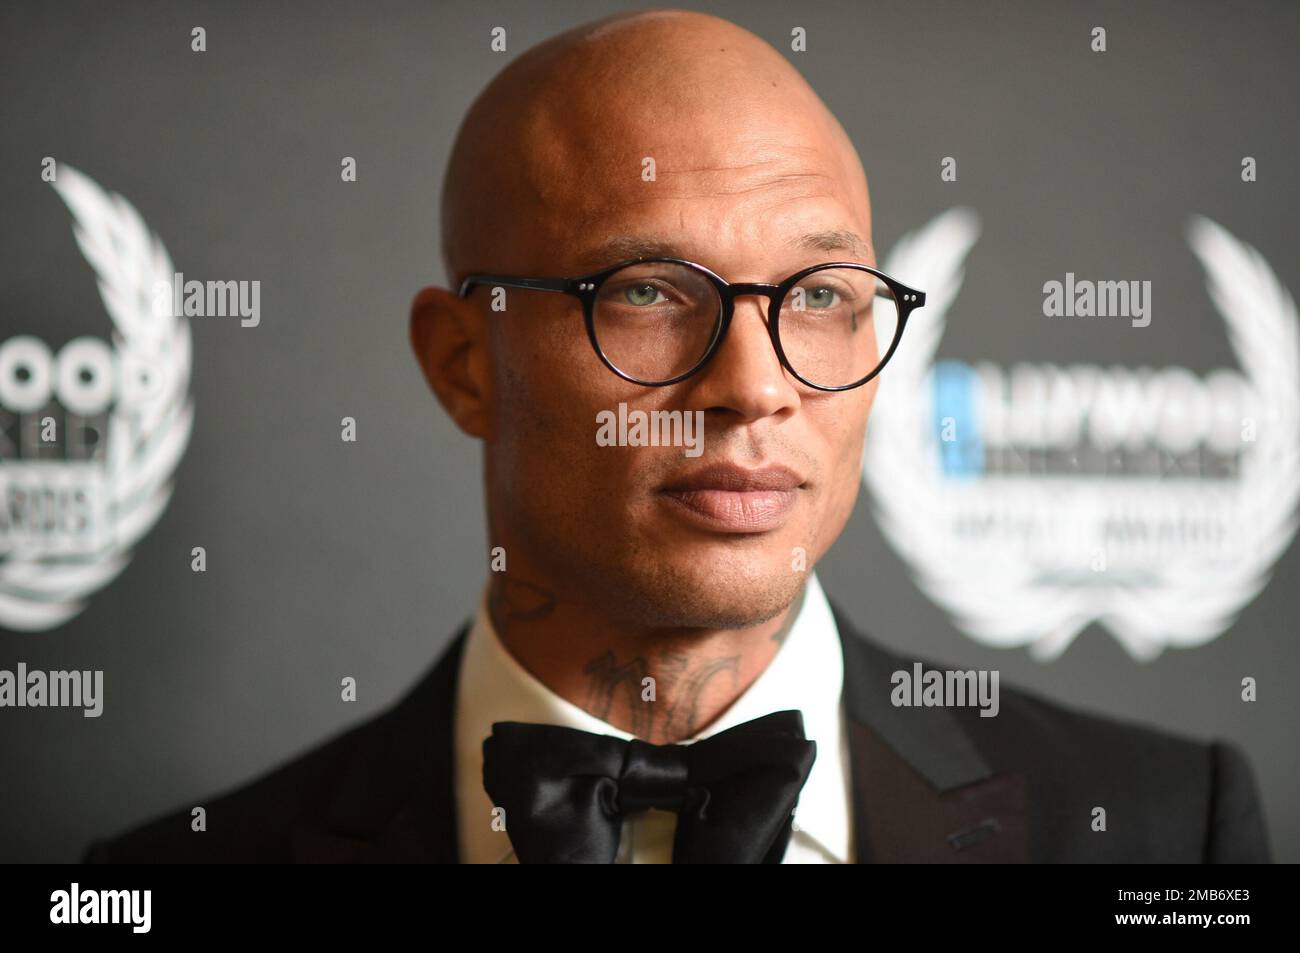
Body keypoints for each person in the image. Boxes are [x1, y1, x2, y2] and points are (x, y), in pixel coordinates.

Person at [84, 9, 1270, 864]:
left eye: (818, 295)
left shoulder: (1165, 829)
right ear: (464, 364)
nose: (754, 388)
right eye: (648, 293)